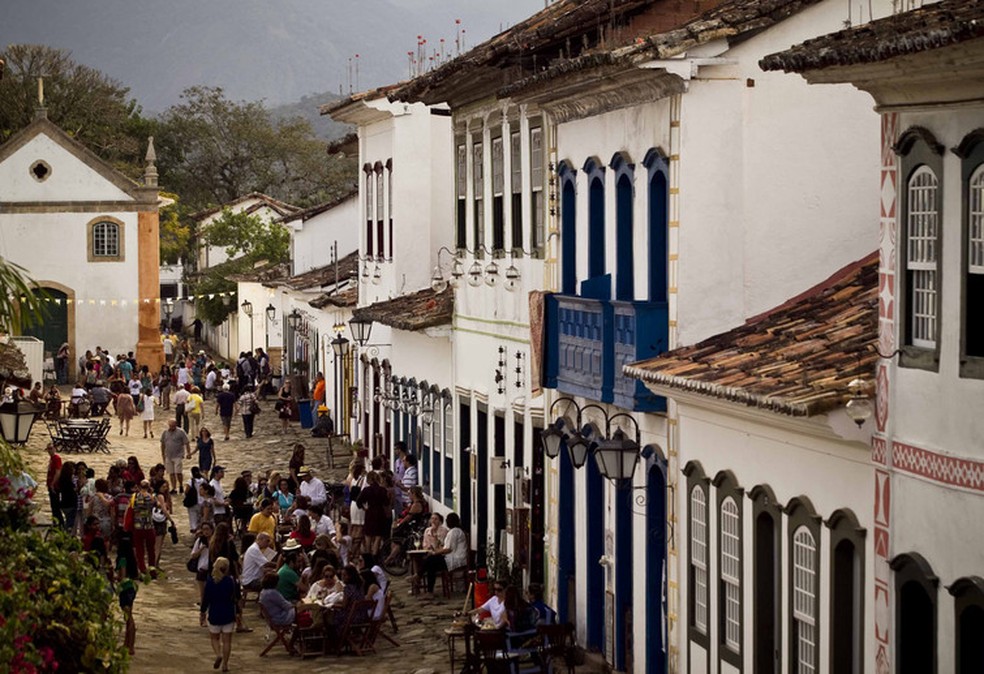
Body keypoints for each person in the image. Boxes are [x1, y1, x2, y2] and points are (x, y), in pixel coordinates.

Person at [200, 557, 237, 672]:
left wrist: (202, 612)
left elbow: (206, 599)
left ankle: (218, 654)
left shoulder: (210, 582)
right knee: (227, 641)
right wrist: (239, 613)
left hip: (214, 613)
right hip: (228, 612)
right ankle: (225, 664)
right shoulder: (231, 581)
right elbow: (236, 598)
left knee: (214, 638)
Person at [421, 512, 468, 596]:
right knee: (431, 564)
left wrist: (435, 552)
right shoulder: (455, 531)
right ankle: (428, 590)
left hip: (456, 559)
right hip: (452, 557)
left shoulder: (454, 532)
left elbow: (448, 549)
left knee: (430, 560)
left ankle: (420, 577)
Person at [356, 471, 390, 557]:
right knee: (378, 536)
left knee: (368, 536)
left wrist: (364, 508)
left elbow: (358, 501)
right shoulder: (382, 490)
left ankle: (368, 555)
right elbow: (386, 503)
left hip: (370, 512)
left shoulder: (366, 490)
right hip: (380, 513)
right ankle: (375, 555)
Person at [131, 480, 157, 575]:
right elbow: (156, 505)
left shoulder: (134, 497)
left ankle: (142, 569)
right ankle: (152, 569)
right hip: (149, 525)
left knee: (139, 550)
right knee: (151, 550)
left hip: (138, 526)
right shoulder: (151, 497)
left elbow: (131, 508)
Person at [160, 418, 192, 494]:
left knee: (178, 472)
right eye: (170, 426)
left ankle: (180, 485)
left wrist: (188, 452)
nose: (171, 427)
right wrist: (163, 454)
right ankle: (174, 487)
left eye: (173, 426)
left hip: (178, 455)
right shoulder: (165, 432)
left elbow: (186, 442)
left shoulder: (181, 432)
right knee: (171, 473)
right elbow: (162, 444)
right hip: (168, 455)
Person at [46, 444, 64, 528]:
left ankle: (59, 523)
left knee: (55, 505)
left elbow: (58, 472)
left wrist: (53, 484)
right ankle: (55, 522)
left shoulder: (57, 459)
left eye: (51, 449)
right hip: (50, 484)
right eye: (48, 449)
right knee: (53, 505)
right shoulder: (52, 459)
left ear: (55, 449)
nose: (49, 451)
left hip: (54, 486)